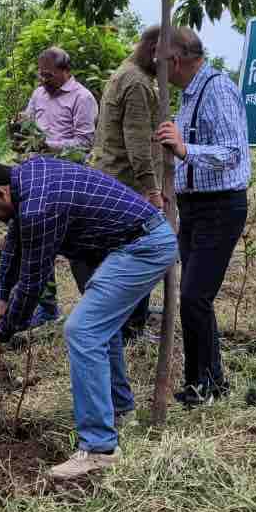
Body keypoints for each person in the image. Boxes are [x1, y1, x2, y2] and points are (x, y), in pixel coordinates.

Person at [0, 157, 178, 480]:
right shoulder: (27, 177)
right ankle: (120, 409)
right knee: (99, 327)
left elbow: (33, 282)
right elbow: (14, 244)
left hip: (144, 246)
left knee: (83, 330)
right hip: (126, 244)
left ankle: (99, 449)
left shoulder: (38, 207)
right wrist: (2, 294)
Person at [154, 27, 251, 407]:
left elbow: (231, 152)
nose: (158, 68)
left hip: (220, 206)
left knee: (194, 296)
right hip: (193, 207)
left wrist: (183, 148)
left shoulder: (217, 89)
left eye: (161, 61)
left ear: (176, 61)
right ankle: (208, 380)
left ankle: (205, 384)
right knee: (195, 298)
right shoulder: (190, 95)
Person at [83, 25, 164, 343]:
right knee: (138, 256)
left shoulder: (126, 74)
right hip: (127, 187)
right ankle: (131, 328)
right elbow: (138, 144)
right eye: (167, 57)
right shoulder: (137, 82)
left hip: (113, 182)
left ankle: (127, 324)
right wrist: (152, 189)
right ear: (155, 48)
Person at [17, 47, 100, 327]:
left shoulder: (83, 98)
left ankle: (92, 308)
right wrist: (21, 129)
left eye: (48, 75)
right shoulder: (39, 94)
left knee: (77, 248)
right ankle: (48, 307)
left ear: (65, 71)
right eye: (40, 74)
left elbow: (86, 143)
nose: (43, 79)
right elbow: (28, 123)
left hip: (68, 181)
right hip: (39, 179)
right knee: (39, 244)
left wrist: (49, 145)